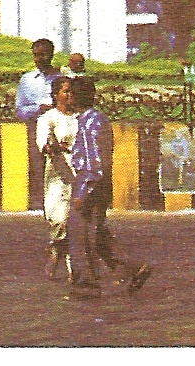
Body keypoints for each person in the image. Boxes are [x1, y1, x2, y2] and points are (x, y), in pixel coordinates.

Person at [67, 76, 152, 299]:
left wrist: (83, 193)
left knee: (80, 235)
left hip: (89, 182)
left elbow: (94, 163)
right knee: (97, 234)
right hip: (98, 184)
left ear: (75, 97)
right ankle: (133, 268)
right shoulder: (98, 119)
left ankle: (86, 285)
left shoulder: (88, 124)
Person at [36, 75, 79, 280]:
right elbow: (43, 142)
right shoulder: (48, 118)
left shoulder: (81, 117)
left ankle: (74, 271)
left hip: (80, 174)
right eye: (65, 91)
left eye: (72, 91)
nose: (70, 95)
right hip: (58, 175)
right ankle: (55, 248)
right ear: (56, 95)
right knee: (59, 219)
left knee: (75, 223)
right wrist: (52, 147)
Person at [15, 39, 60, 121]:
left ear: (51, 55)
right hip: (34, 125)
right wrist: (38, 109)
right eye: (36, 55)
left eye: (43, 55)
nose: (38, 59)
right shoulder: (27, 80)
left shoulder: (62, 79)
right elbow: (20, 111)